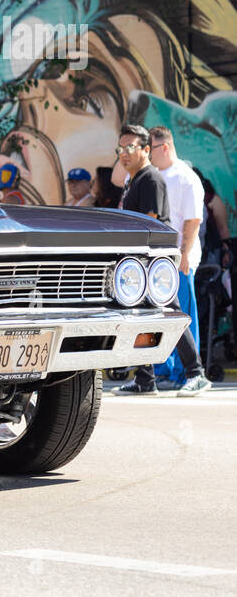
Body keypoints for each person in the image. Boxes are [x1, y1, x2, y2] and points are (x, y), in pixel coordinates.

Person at [113, 124, 208, 396]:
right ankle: (145, 379)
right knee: (144, 320)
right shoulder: (135, 179)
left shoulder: (151, 179)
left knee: (172, 317)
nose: (124, 153)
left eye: (131, 147)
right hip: (142, 264)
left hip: (154, 264)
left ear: (146, 150)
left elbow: (150, 223)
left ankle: (195, 373)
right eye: (121, 147)